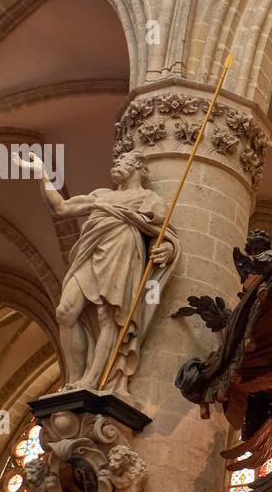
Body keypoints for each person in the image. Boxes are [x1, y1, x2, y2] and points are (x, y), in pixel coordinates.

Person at [18, 150, 177, 396]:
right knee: (65, 312)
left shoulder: (150, 199)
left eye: (123, 161)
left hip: (122, 253)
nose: (116, 163)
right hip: (91, 255)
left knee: (109, 317)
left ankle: (92, 381)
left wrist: (167, 249)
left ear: (137, 167)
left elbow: (164, 234)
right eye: (116, 160)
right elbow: (60, 208)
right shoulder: (102, 196)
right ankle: (75, 377)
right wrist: (42, 174)